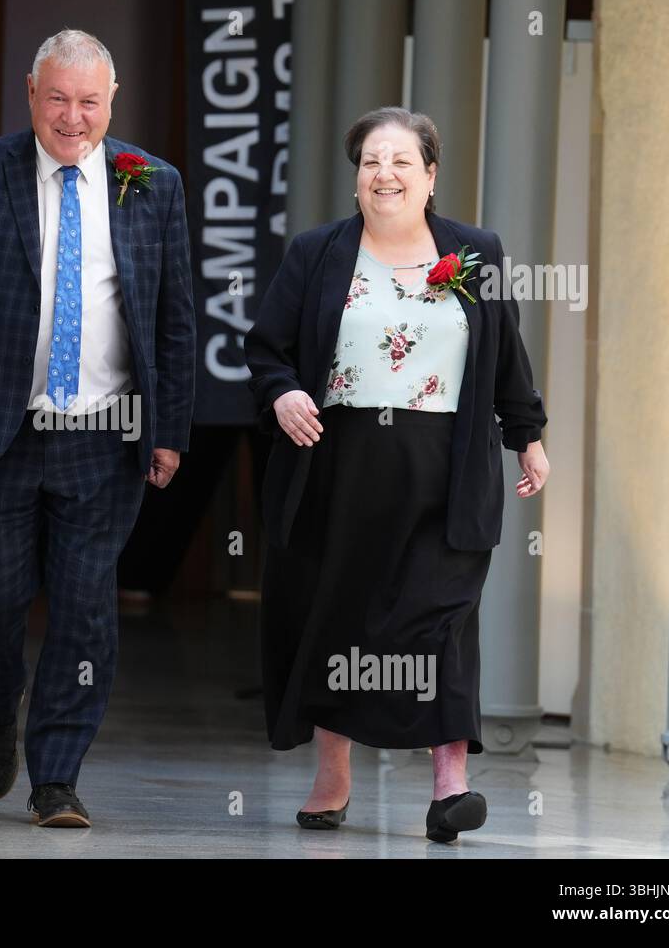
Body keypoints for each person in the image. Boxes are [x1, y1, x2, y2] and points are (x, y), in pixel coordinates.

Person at [0, 29, 195, 827]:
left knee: (84, 607)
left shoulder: (154, 184)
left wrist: (167, 427)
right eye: (58, 99)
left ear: (113, 103)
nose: (73, 117)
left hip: (106, 435)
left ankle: (57, 777)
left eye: (90, 102)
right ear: (32, 95)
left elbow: (174, 316)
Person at [245, 106, 549, 842]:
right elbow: (267, 348)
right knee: (341, 614)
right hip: (341, 461)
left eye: (401, 162)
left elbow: (504, 353)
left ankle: (450, 788)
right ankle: (333, 774)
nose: (384, 174)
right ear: (356, 178)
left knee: (441, 618)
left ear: (430, 175)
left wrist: (528, 435)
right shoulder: (317, 253)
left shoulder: (475, 251)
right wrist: (285, 392)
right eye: (371, 162)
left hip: (446, 466)